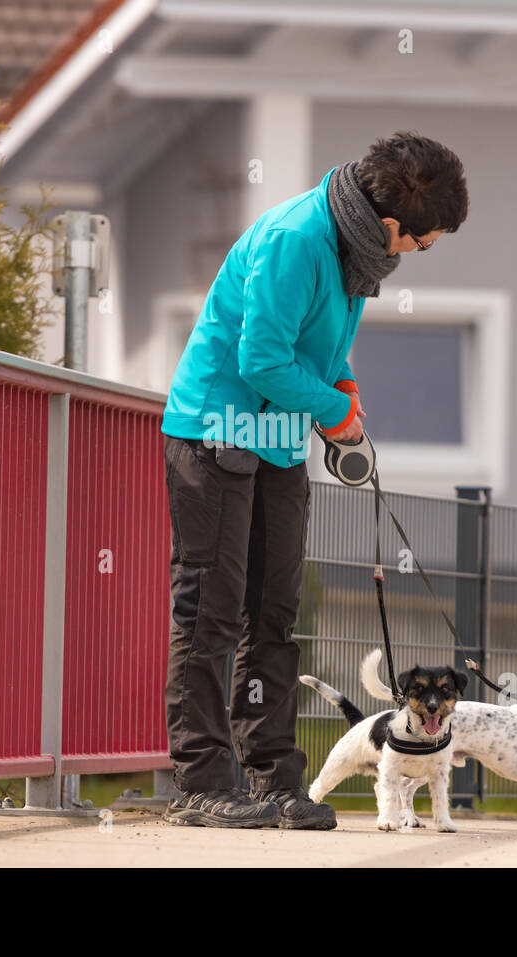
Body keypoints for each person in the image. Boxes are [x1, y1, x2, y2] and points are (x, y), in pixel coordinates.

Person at [159, 131, 469, 828]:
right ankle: (202, 782)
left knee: (272, 616)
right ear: (394, 225)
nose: (418, 255)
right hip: (214, 433)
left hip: (274, 441)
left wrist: (344, 392)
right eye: (424, 243)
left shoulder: (355, 252)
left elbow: (321, 350)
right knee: (210, 613)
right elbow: (263, 357)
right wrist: (338, 414)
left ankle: (272, 778)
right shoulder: (298, 239)